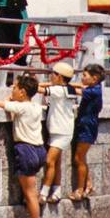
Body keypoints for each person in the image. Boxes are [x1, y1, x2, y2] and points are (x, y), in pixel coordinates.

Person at [0, 72, 47, 218]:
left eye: (15, 88)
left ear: (23, 92)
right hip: (39, 149)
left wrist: (9, 98)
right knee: (32, 193)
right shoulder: (36, 107)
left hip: (26, 149)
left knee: (30, 194)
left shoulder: (21, 107)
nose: (12, 89)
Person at [37, 61, 78, 204]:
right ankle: (57, 191)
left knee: (49, 161)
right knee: (56, 162)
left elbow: (39, 90)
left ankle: (43, 193)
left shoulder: (58, 90)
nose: (51, 76)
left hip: (61, 132)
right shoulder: (68, 89)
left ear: (59, 77)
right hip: (58, 131)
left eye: (53, 74)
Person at [70, 63, 105, 201]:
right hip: (85, 124)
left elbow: (76, 89)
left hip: (87, 126)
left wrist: (63, 84)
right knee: (82, 157)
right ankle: (88, 184)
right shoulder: (94, 88)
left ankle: (79, 189)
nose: (82, 78)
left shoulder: (93, 91)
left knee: (78, 158)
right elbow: (79, 88)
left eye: (84, 76)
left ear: (94, 78)